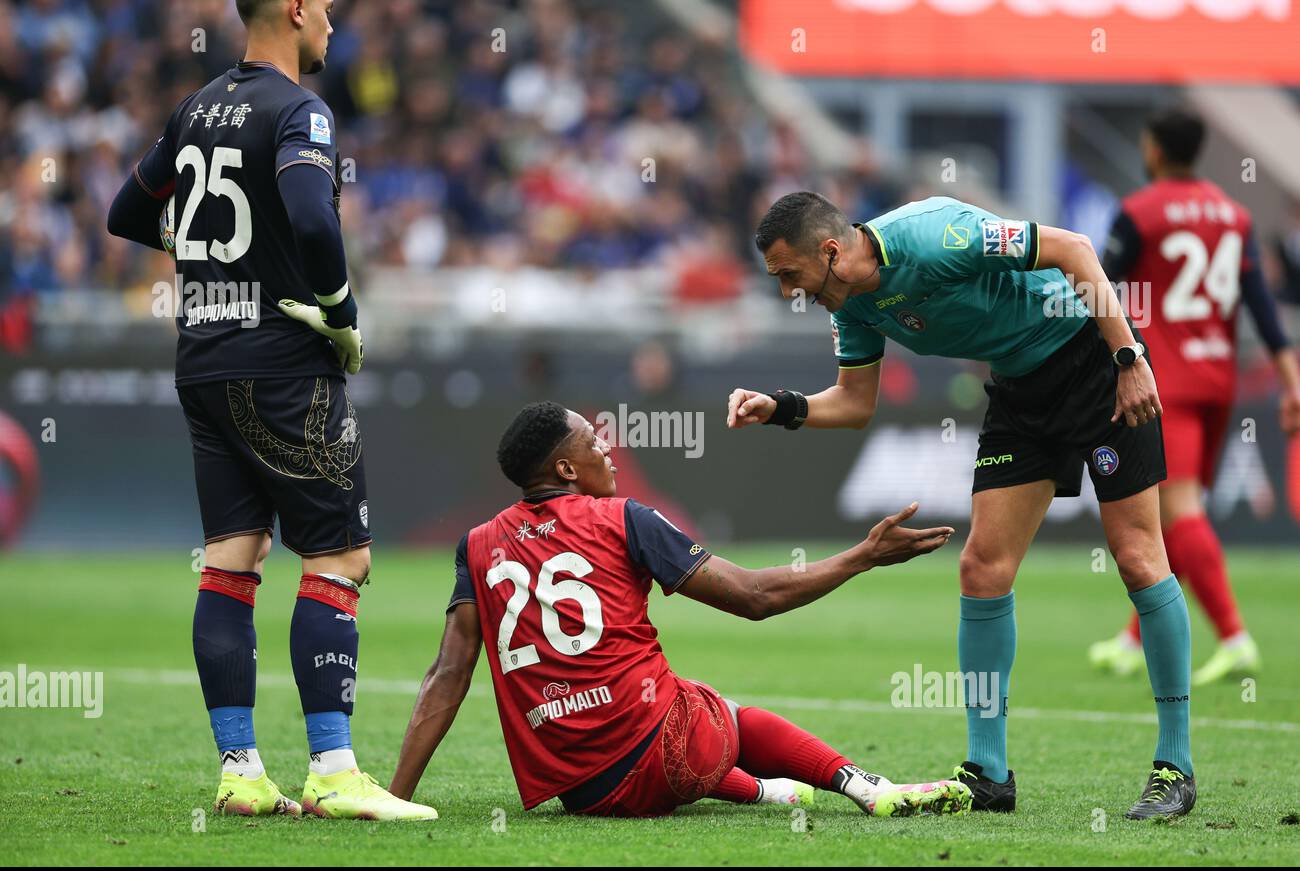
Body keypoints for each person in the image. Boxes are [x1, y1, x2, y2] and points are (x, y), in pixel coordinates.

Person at [727, 190, 1196, 819]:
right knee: (981, 568)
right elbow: (855, 401)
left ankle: (1176, 766)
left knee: (1138, 558)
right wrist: (781, 407)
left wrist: (1128, 358)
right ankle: (988, 776)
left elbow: (1073, 250)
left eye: (791, 275)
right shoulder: (853, 308)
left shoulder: (934, 234)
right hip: (1020, 391)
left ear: (832, 252)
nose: (791, 291)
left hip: (1095, 363)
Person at [106, 0, 433, 821]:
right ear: (293, 9)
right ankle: (332, 769)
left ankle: (242, 770)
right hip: (284, 367)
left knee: (232, 557)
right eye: (324, 7)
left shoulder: (194, 107)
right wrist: (341, 311)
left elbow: (125, 213)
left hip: (204, 360)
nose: (331, 21)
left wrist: (221, 266)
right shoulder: (302, 112)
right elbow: (315, 218)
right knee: (340, 559)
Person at [388, 402, 970, 819]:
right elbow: (754, 597)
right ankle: (870, 788)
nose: (607, 447)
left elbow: (449, 674)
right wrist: (863, 556)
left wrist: (397, 797)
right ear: (565, 470)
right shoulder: (624, 519)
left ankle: (766, 793)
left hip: (583, 791)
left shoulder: (476, 543)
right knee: (718, 715)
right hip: (664, 755)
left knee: (666, 716)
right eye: (593, 441)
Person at [1088, 108, 1300, 684]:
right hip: (1217, 381)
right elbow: (1259, 302)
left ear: (1154, 149)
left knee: (1177, 512)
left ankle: (1234, 637)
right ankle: (1135, 640)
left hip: (1164, 383)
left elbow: (1099, 289)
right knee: (1177, 515)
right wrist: (1290, 379)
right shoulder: (1232, 214)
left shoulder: (1138, 212)